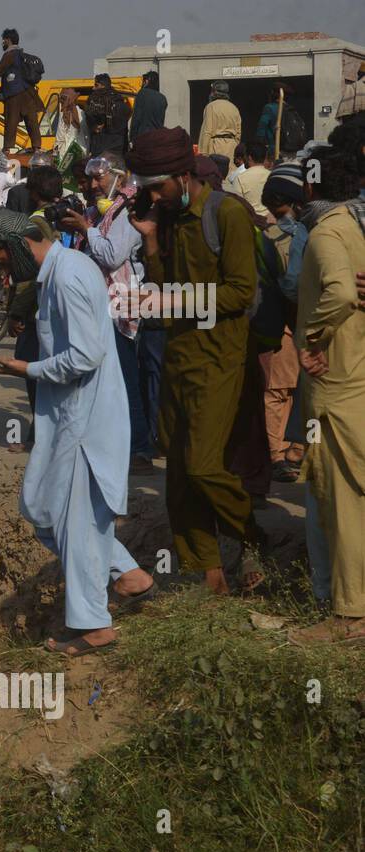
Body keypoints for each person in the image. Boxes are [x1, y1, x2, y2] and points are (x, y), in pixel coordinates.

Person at [0, 207, 156, 655]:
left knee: (76, 523)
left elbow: (85, 356)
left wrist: (26, 367)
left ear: (22, 245)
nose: (5, 273)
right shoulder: (62, 270)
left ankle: (94, 625)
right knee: (43, 510)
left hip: (84, 420)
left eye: (4, 262)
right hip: (66, 418)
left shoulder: (68, 277)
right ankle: (128, 574)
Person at [127, 126, 264, 594]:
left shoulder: (226, 215)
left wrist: (178, 302)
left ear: (184, 176)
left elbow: (241, 292)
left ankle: (258, 542)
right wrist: (148, 239)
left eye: (158, 187)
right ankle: (209, 574)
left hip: (220, 359)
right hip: (179, 358)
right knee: (181, 475)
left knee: (205, 465)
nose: (153, 196)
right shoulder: (167, 218)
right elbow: (164, 286)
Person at [291, 149, 365, 642]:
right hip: (352, 376)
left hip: (337, 383)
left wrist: (311, 338)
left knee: (342, 500)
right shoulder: (352, 227)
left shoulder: (324, 233)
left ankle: (349, 614)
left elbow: (339, 293)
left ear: (311, 189)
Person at [60, 154, 154, 473]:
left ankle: (140, 448)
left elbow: (112, 256)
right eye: (92, 179)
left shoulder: (127, 210)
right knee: (97, 377)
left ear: (118, 176)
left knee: (124, 376)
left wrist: (87, 229)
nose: (95, 184)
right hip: (97, 302)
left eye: (100, 178)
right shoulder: (100, 211)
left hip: (121, 303)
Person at [258, 163, 307, 484]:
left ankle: (292, 449)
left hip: (296, 328)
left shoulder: (296, 234)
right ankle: (277, 453)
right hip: (282, 327)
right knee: (278, 391)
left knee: (291, 391)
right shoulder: (278, 239)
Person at [0, 28, 44, 154]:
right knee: (31, 121)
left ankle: (7, 150)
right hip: (29, 93)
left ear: (8, 40)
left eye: (3, 40)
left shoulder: (9, 55)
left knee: (11, 121)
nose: (2, 43)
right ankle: (37, 148)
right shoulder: (21, 56)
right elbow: (12, 77)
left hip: (15, 95)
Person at [86, 74, 130, 158]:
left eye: (96, 85)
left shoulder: (94, 99)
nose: (93, 88)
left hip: (101, 145)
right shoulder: (120, 99)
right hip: (119, 146)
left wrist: (95, 127)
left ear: (103, 85)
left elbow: (89, 116)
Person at [198, 82, 242, 164]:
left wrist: (203, 154)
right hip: (232, 146)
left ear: (214, 92)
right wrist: (235, 146)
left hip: (215, 146)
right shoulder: (234, 108)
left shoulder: (211, 107)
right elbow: (238, 133)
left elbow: (207, 131)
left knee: (217, 173)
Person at [130, 71, 167, 145]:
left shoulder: (142, 93)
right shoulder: (163, 98)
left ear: (147, 81)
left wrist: (132, 137)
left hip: (143, 138)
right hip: (157, 138)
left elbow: (136, 118)